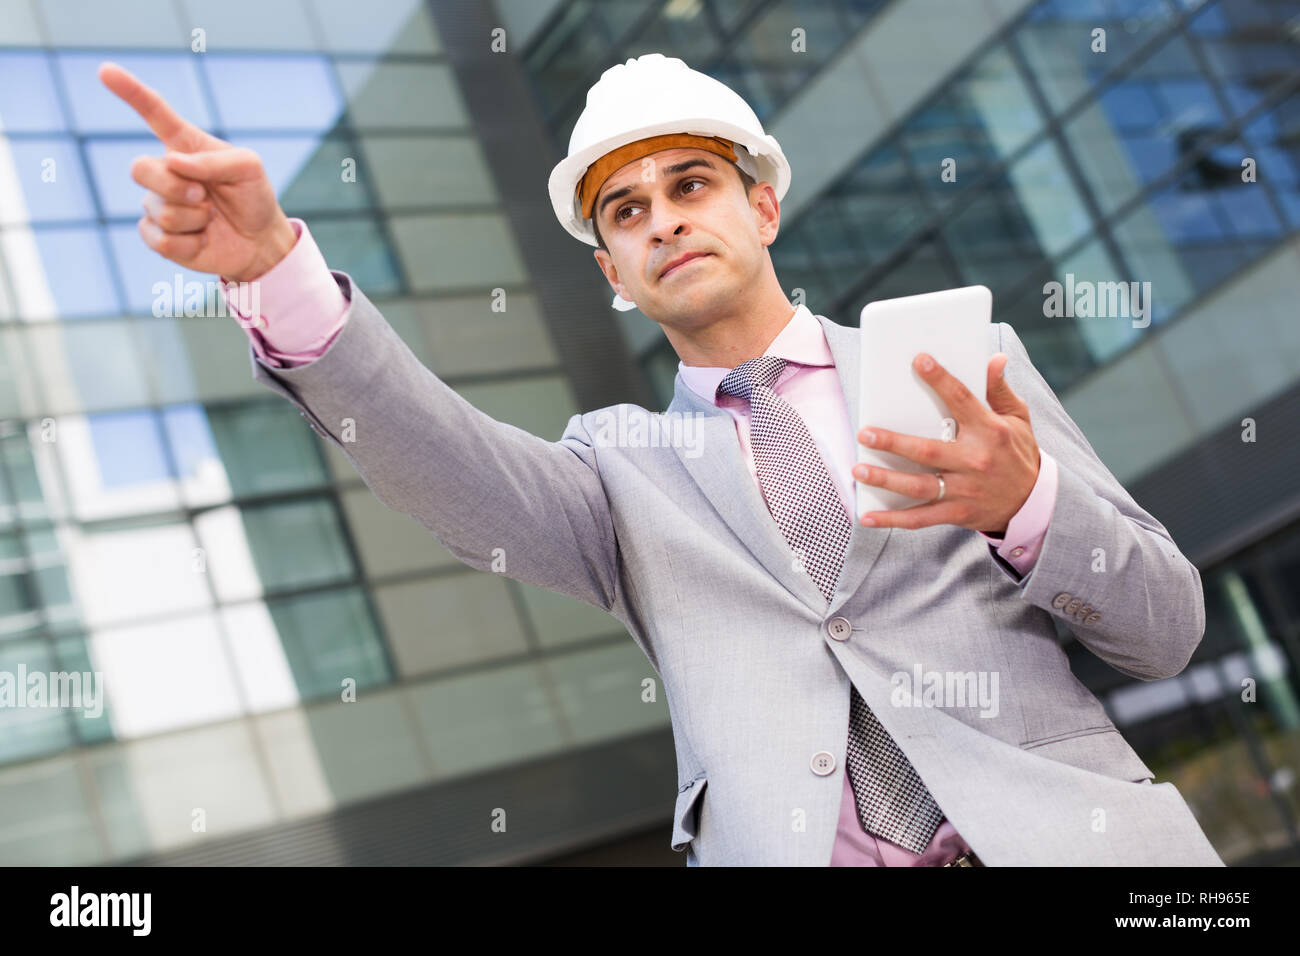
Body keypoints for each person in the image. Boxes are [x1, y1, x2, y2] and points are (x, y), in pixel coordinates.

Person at [98, 53, 1223, 866]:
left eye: (691, 185)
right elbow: (436, 454)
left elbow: (1165, 629)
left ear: (762, 204)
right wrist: (278, 272)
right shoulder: (616, 474)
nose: (662, 222)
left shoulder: (957, 365)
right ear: (612, 274)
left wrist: (1026, 502)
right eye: (624, 212)